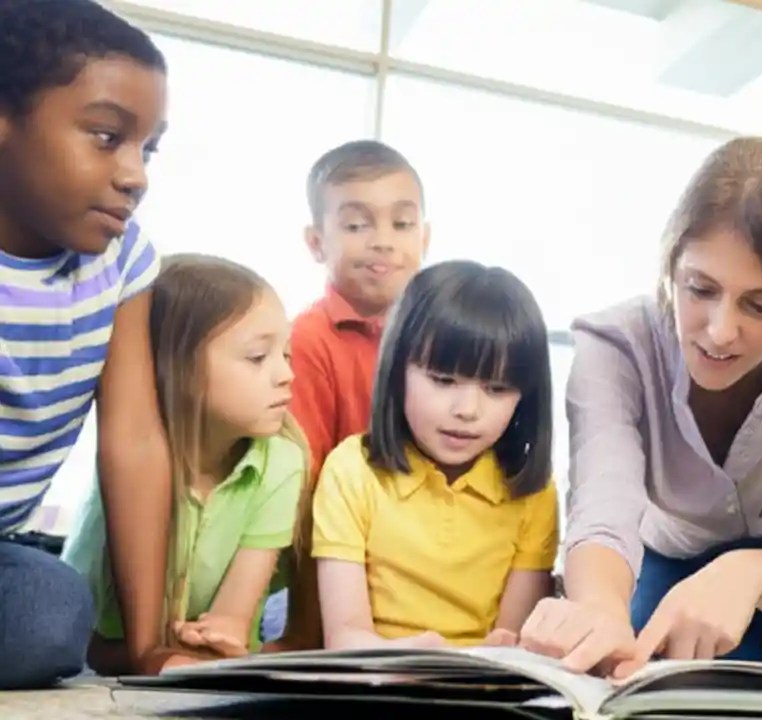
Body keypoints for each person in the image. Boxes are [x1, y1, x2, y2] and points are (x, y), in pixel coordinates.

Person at [518, 136, 762, 675]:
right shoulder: (616, 346)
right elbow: (604, 510)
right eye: (699, 289)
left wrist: (749, 574)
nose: (720, 331)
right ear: (671, 265)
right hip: (659, 564)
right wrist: (598, 608)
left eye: (760, 305)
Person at [0, 0, 173, 684]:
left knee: (53, 611)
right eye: (106, 136)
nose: (136, 173)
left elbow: (132, 442)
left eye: (148, 146)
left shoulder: (122, 262)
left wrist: (149, 644)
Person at [62, 254, 306, 673]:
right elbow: (92, 643)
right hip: (96, 645)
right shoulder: (134, 470)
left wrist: (219, 638)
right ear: (177, 369)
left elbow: (234, 623)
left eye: (286, 354)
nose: (287, 375)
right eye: (257, 357)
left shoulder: (283, 462)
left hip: (207, 653)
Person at [312, 261, 559, 649]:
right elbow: (344, 637)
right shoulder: (351, 471)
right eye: (443, 381)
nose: (467, 410)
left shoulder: (532, 490)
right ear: (398, 369)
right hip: (374, 680)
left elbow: (513, 641)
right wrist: (407, 661)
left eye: (496, 389)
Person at [272, 139, 429, 650]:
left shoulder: (439, 337)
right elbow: (306, 493)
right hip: (338, 557)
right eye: (358, 225)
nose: (382, 241)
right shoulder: (307, 340)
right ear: (316, 241)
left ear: (425, 237)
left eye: (401, 224)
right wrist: (307, 631)